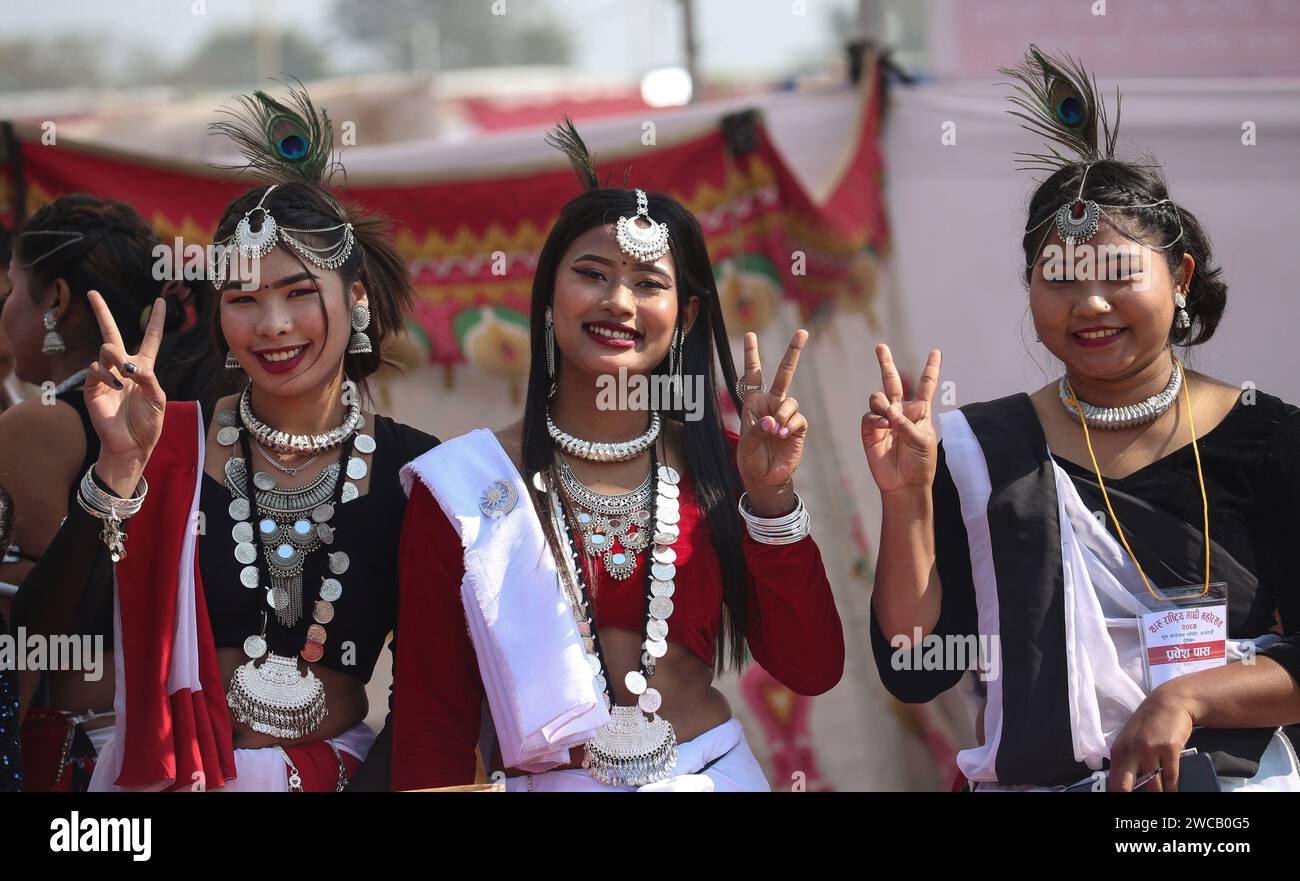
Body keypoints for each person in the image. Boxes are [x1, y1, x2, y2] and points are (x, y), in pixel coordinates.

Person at [865, 47, 1300, 792]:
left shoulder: (1268, 438)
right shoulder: (978, 453)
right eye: (1058, 277)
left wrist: (1185, 697)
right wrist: (905, 501)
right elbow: (913, 668)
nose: (1089, 305)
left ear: (1181, 275)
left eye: (1117, 275)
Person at [391, 121, 844, 792]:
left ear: (686, 315)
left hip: (713, 773)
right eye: (592, 274)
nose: (617, 302)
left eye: (647, 283)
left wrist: (772, 500)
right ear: (548, 297)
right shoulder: (465, 485)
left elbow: (812, 667)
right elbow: (434, 721)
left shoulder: (725, 464)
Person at [16, 85, 437, 791]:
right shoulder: (162, 442)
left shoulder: (414, 469)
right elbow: (38, 631)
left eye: (299, 291)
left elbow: (434, 691)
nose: (272, 323)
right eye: (243, 299)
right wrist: (116, 474)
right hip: (161, 779)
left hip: (334, 776)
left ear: (354, 297)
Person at [2, 194, 220, 790]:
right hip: (180, 740)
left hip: (78, 753)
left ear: (55, 300)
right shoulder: (179, 413)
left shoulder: (38, 427)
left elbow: (23, 642)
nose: (4, 311)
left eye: (11, 291)